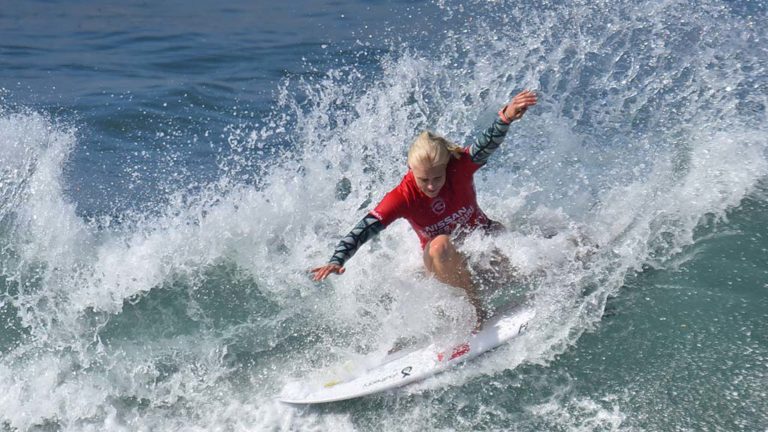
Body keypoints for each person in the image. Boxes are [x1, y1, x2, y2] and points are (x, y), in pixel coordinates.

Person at [311, 90, 538, 329]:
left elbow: (486, 142)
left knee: (501, 235)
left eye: (437, 178)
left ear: (447, 166)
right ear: (410, 170)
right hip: (443, 266)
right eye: (423, 179)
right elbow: (363, 230)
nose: (431, 186)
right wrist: (336, 259)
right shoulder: (402, 197)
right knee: (440, 244)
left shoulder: (459, 168)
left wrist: (506, 117)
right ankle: (475, 311)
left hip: (480, 252)